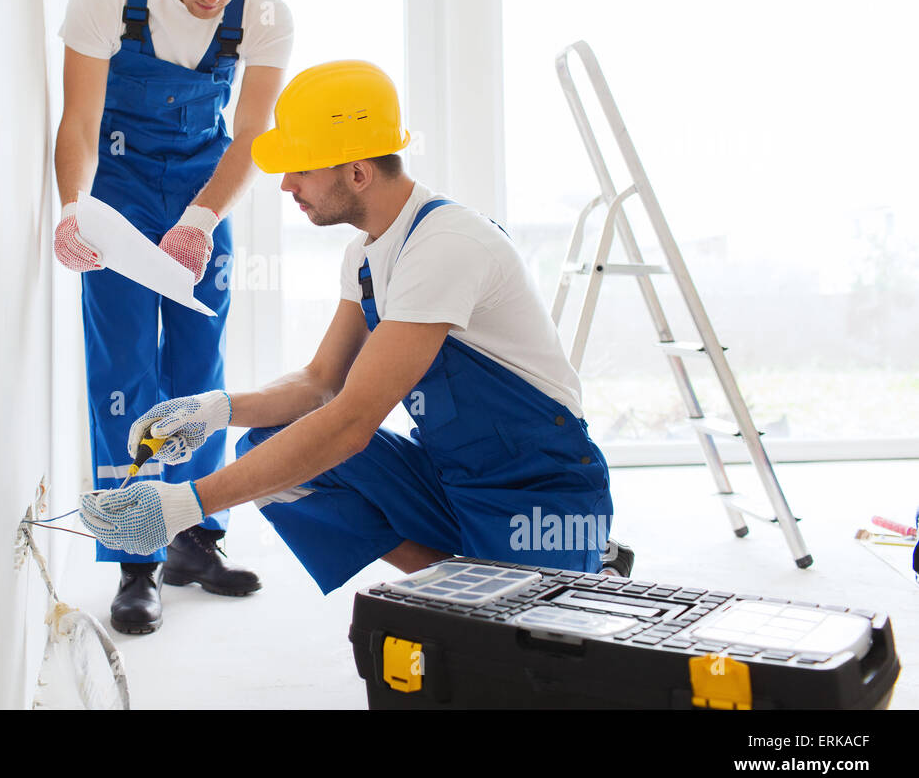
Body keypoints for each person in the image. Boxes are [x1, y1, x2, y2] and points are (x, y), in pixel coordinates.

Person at [79, 60, 614, 594]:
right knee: (269, 449)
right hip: (451, 479)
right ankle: (457, 585)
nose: (287, 185)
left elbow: (351, 419)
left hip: (538, 490)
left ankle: (540, 575)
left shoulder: (447, 246)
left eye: (302, 170)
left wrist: (186, 503)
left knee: (520, 656)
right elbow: (320, 383)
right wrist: (218, 410)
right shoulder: (364, 257)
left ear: (357, 172)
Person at [53, 0, 293, 633]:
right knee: (124, 372)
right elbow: (80, 126)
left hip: (204, 192)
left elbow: (253, 134)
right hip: (115, 194)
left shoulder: (264, 13)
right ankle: (134, 561)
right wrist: (72, 209)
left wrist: (201, 219)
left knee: (198, 365)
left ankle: (195, 534)